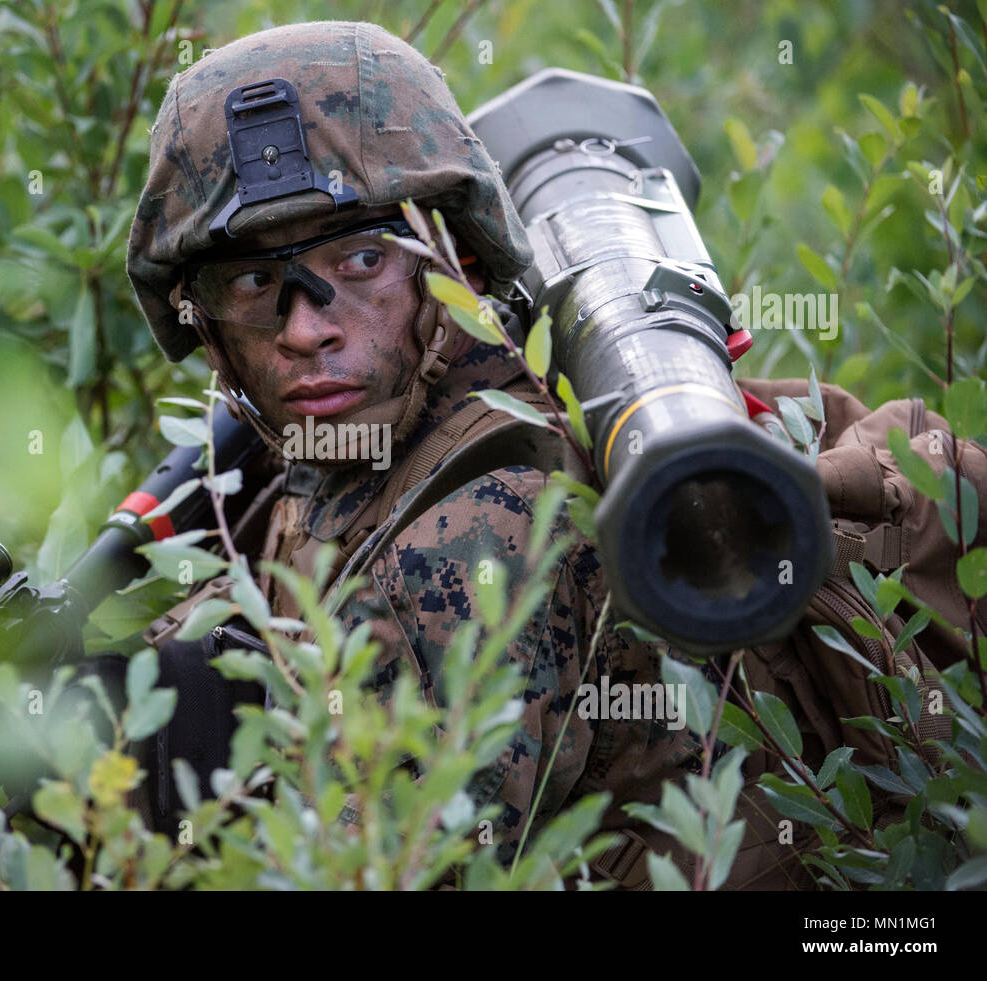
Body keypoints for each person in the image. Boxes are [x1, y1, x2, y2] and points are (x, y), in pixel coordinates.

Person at [125, 19, 807, 888]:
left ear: (462, 262)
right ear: (206, 320)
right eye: (256, 282)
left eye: (365, 258)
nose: (304, 327)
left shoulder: (483, 530)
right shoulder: (349, 447)